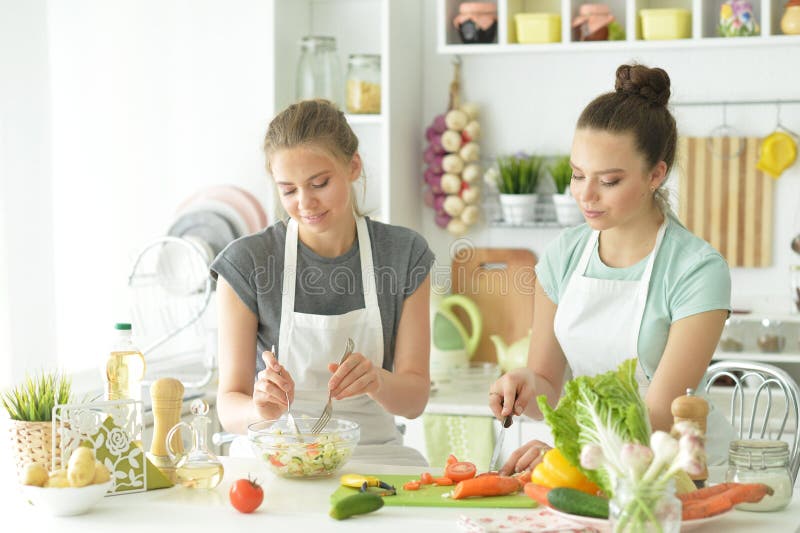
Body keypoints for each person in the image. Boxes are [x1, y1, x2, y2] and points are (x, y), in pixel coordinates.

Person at [489, 64, 734, 475]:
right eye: (578, 174)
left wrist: (568, 454)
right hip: (589, 460)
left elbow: (659, 416)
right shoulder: (563, 255)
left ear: (656, 174)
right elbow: (548, 383)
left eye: (610, 181)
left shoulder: (697, 271)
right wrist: (523, 385)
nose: (586, 195)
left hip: (677, 474)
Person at [212, 99, 434, 465]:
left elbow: (414, 401)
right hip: (273, 455)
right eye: (288, 190)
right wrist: (260, 409)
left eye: (319, 183)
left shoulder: (404, 254)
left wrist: (377, 381)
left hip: (374, 455)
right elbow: (228, 404)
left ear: (353, 166)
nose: (305, 202)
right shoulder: (247, 262)